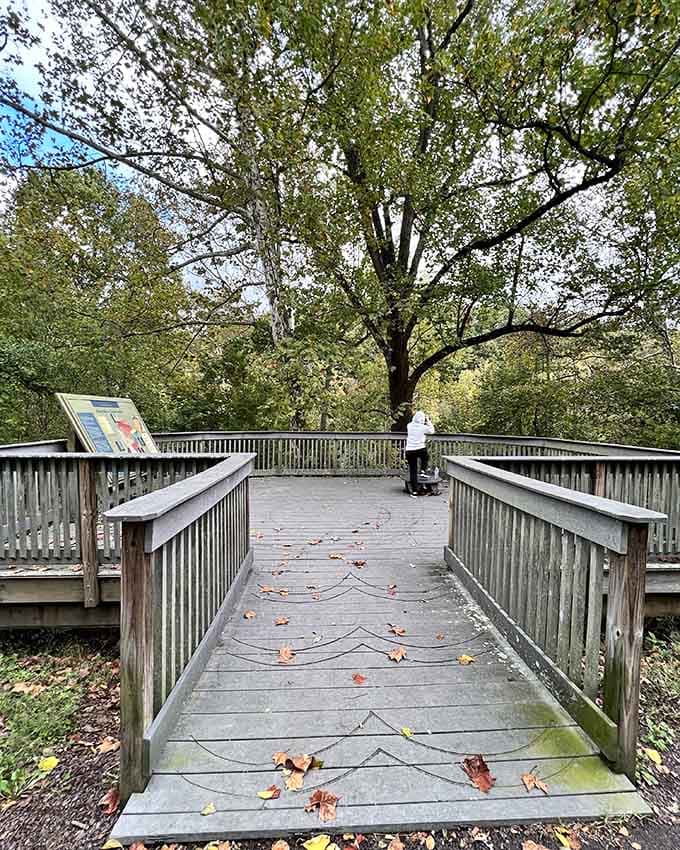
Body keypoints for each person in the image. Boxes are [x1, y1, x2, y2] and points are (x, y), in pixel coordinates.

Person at [405, 410, 435, 496]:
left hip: (409, 450)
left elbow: (414, 423)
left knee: (413, 471)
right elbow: (432, 431)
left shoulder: (409, 425)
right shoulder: (423, 427)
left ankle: (414, 491)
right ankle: (422, 470)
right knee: (425, 457)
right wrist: (428, 421)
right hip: (420, 449)